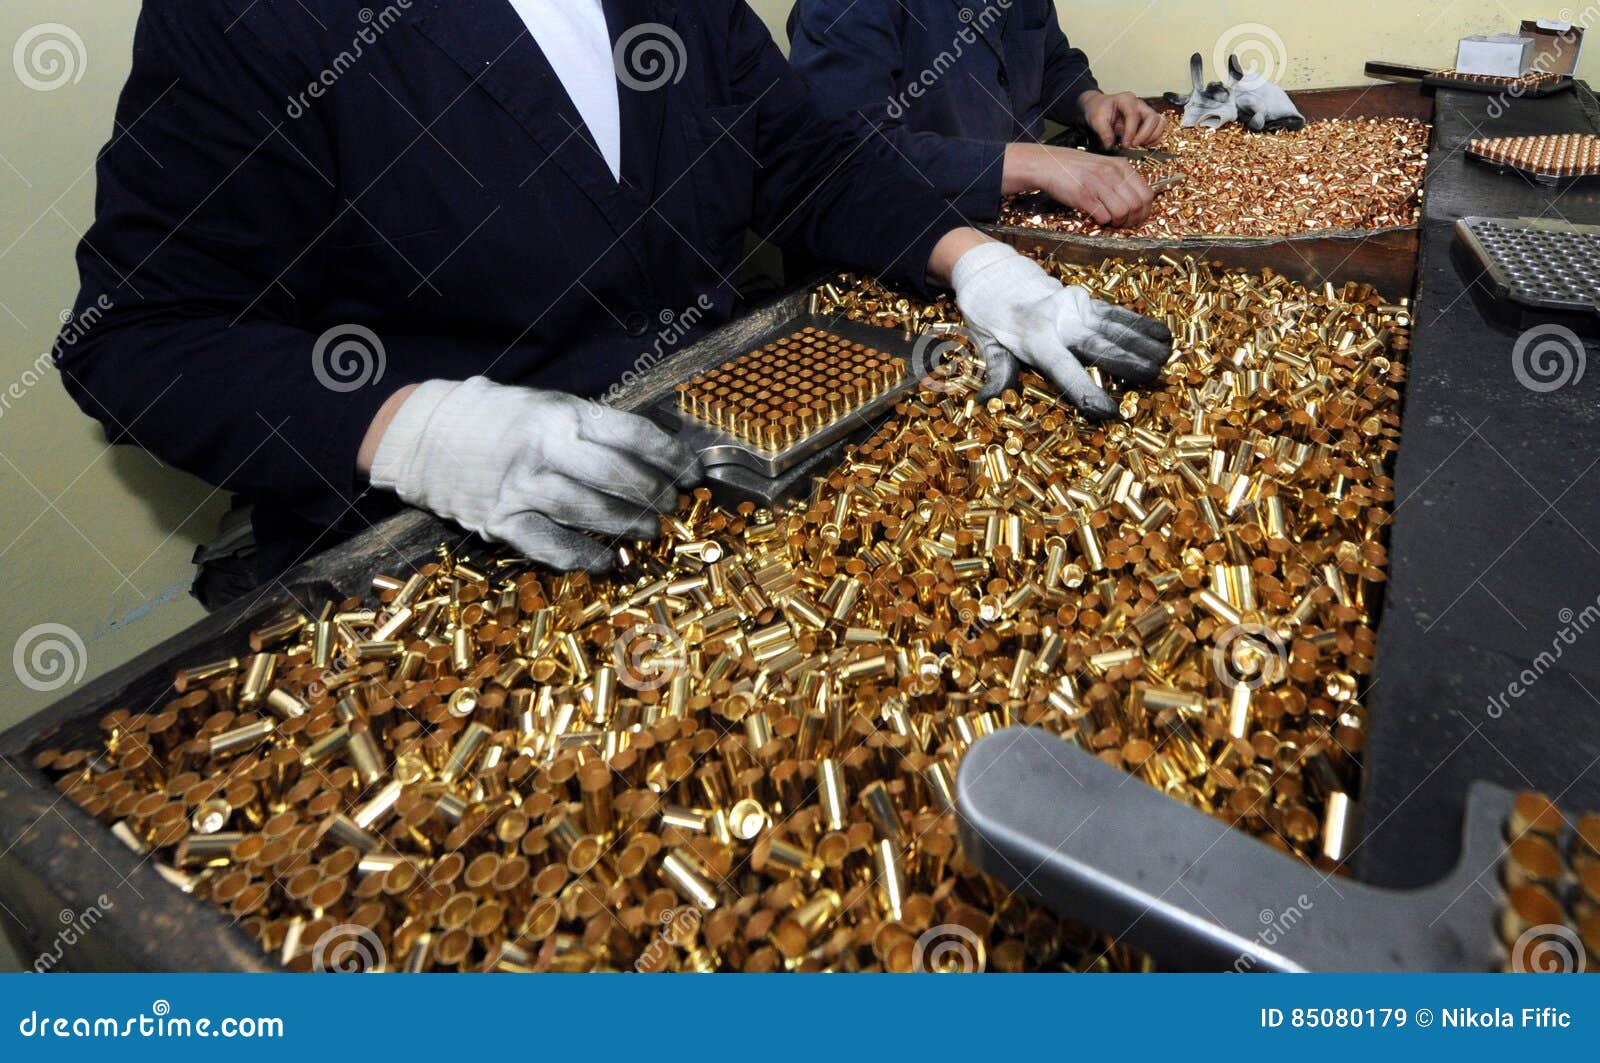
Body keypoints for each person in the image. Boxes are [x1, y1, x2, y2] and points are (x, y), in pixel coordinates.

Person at [57, 0, 1170, 580]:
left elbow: (799, 155)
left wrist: (972, 260)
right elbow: (142, 335)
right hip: (456, 554)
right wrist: (418, 429)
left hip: (709, 482)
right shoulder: (257, 18)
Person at [787, 1, 1166, 228]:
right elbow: (849, 154)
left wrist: (1088, 99)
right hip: (904, 239)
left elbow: (1051, 60)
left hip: (1013, 222)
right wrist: (1032, 163)